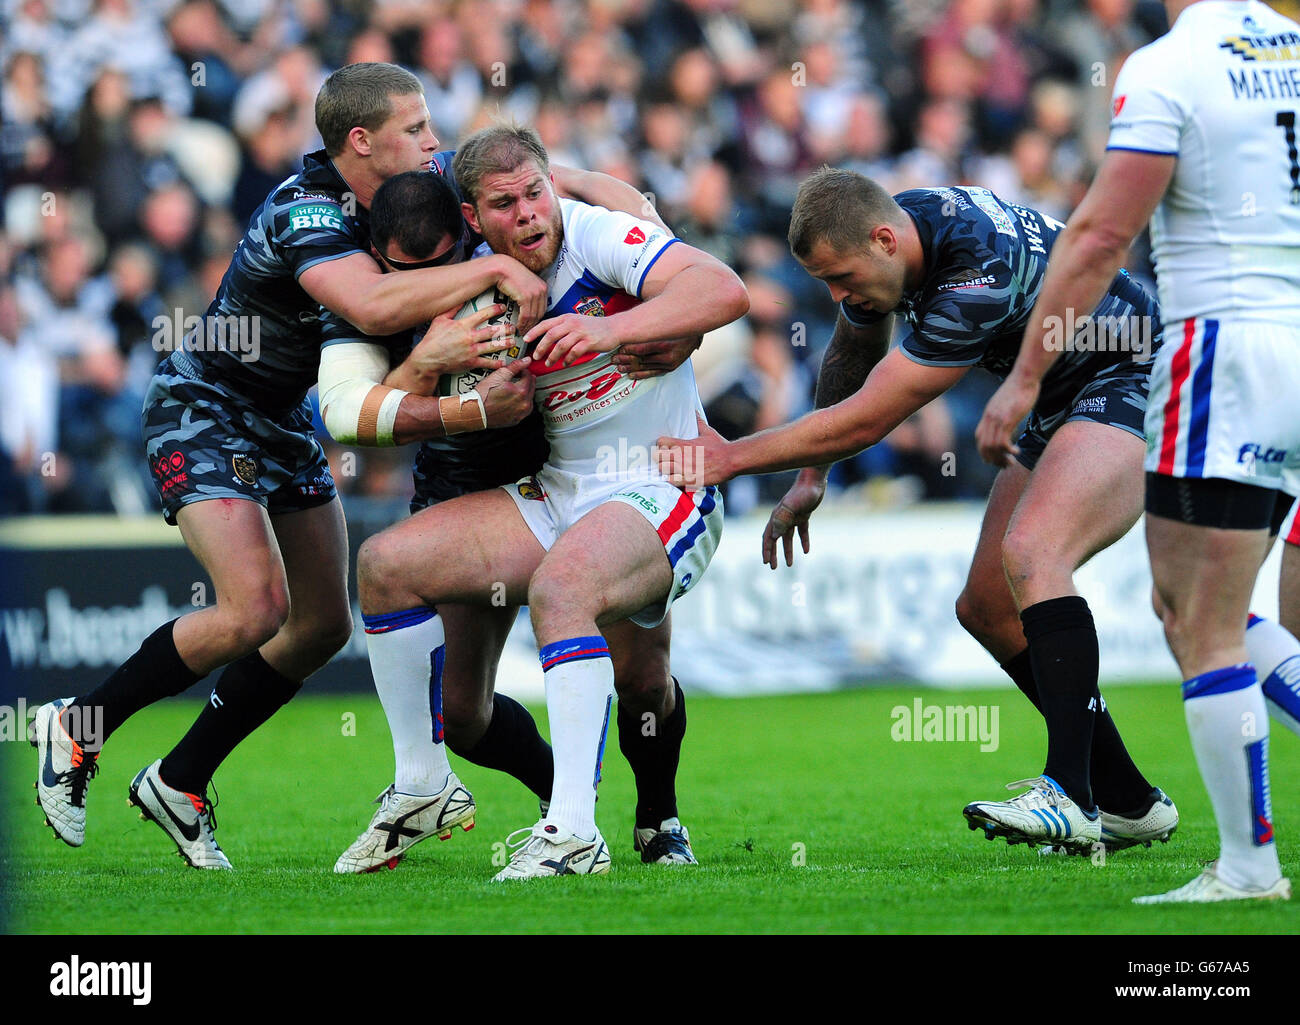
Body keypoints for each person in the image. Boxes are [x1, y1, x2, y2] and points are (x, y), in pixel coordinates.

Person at [27, 62, 660, 869]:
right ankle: (77, 724)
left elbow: (566, 181)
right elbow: (371, 305)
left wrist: (614, 203)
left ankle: (181, 781)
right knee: (255, 608)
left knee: (323, 623)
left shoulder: (422, 177)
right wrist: (497, 270)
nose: (435, 141)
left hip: (287, 421)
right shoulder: (306, 212)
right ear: (362, 142)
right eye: (416, 128)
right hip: (209, 407)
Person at [656, 168, 1177, 855]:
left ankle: (1070, 795)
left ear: (882, 238)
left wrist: (728, 459)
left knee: (1034, 555)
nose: (840, 297)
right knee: (987, 604)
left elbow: (873, 414)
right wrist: (812, 475)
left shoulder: (975, 275)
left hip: (1134, 370)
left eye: (842, 278)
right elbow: (853, 349)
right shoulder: (895, 235)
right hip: (1052, 396)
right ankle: (1130, 801)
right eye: (826, 285)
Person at [346, 123, 747, 880]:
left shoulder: (595, 233)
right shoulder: (464, 289)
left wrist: (615, 332)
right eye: (505, 203)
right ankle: (424, 784)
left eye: (536, 193)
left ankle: (611, 824)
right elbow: (378, 422)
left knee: (638, 674)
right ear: (473, 219)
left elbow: (724, 289)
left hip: (661, 479)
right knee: (384, 564)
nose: (529, 213)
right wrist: (447, 378)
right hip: (557, 488)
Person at [973, 0, 1295, 903]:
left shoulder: (1168, 64)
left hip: (1224, 351)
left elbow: (1103, 235)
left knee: (1200, 618)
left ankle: (1246, 866)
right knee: (1198, 607)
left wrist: (1028, 374)